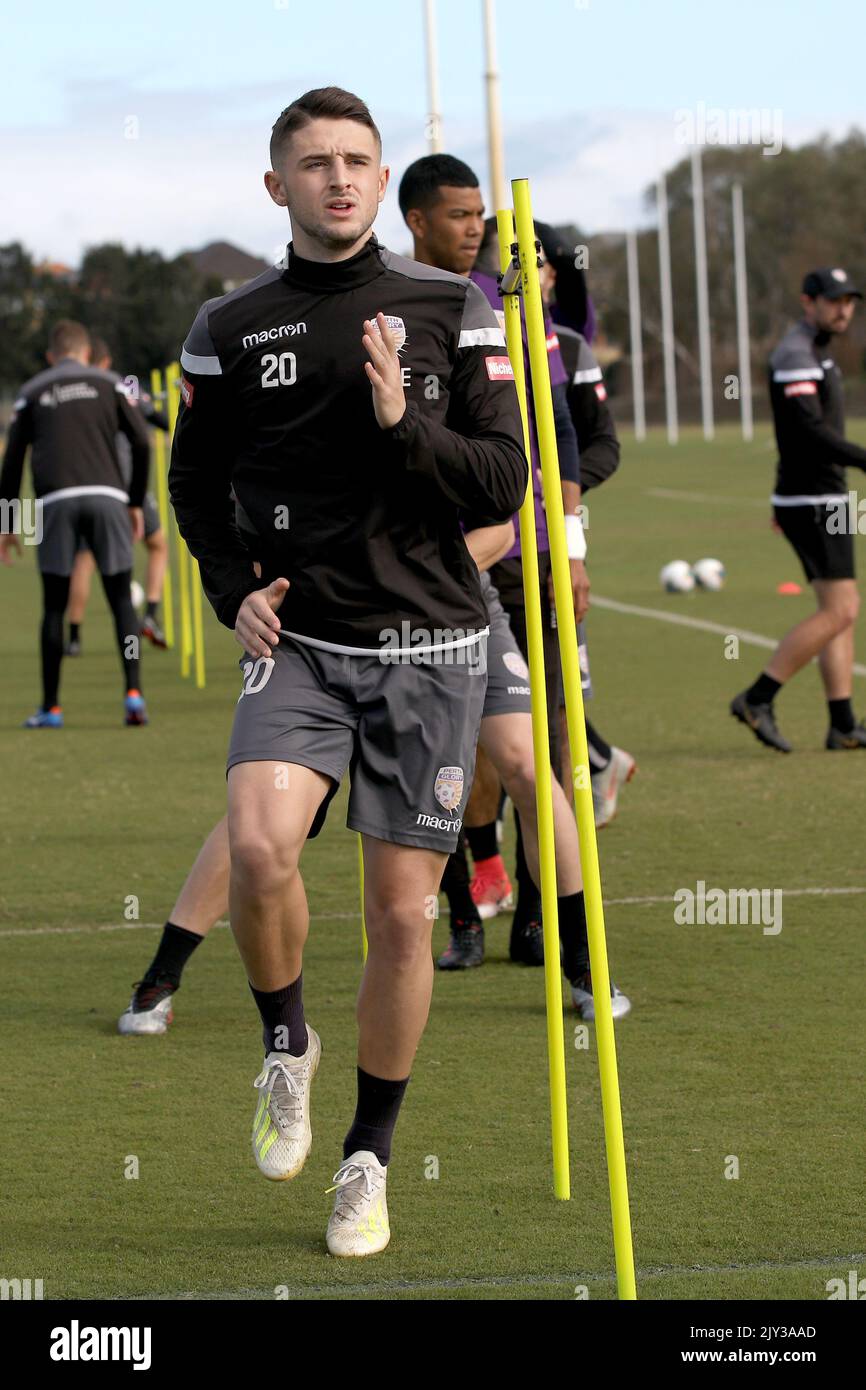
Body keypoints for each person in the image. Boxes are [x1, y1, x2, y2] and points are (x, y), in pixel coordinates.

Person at [167, 86, 527, 1257]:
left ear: (381, 183)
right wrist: (233, 590)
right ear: (277, 185)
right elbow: (191, 484)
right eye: (313, 162)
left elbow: (501, 482)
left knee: (398, 917)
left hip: (431, 647)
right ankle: (286, 1046)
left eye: (357, 161)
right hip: (306, 643)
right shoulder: (229, 324)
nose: (338, 177)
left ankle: (367, 1157)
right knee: (262, 845)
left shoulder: (447, 303)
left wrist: (399, 422)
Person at [732, 267, 866, 752]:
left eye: (849, 301)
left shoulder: (816, 351)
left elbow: (797, 435)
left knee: (839, 611)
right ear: (808, 302)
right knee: (841, 609)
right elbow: (808, 432)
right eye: (833, 300)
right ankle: (758, 697)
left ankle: (843, 723)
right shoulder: (795, 353)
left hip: (820, 495)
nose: (843, 309)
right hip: (812, 499)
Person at [0, 319, 150, 727]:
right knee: (121, 601)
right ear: (86, 353)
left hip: (53, 504)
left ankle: (51, 707)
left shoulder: (33, 391)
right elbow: (141, 441)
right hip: (109, 499)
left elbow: (12, 461)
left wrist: (9, 523)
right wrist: (135, 502)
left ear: (52, 355)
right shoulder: (111, 383)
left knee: (53, 607)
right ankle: (134, 695)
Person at [65, 337, 170, 655]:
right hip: (125, 482)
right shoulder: (122, 387)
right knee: (157, 545)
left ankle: (74, 637)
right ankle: (150, 615)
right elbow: (161, 422)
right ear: (106, 362)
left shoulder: (72, 395)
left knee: (84, 561)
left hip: (87, 484)